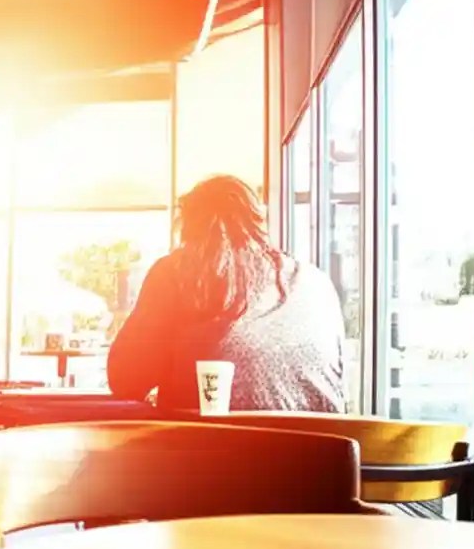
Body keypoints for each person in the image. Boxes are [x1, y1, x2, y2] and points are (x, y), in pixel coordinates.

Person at [107, 175, 346, 413]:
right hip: (324, 447)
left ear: (188, 229)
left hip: (214, 448)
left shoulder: (178, 274)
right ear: (259, 223)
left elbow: (125, 380)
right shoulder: (316, 282)